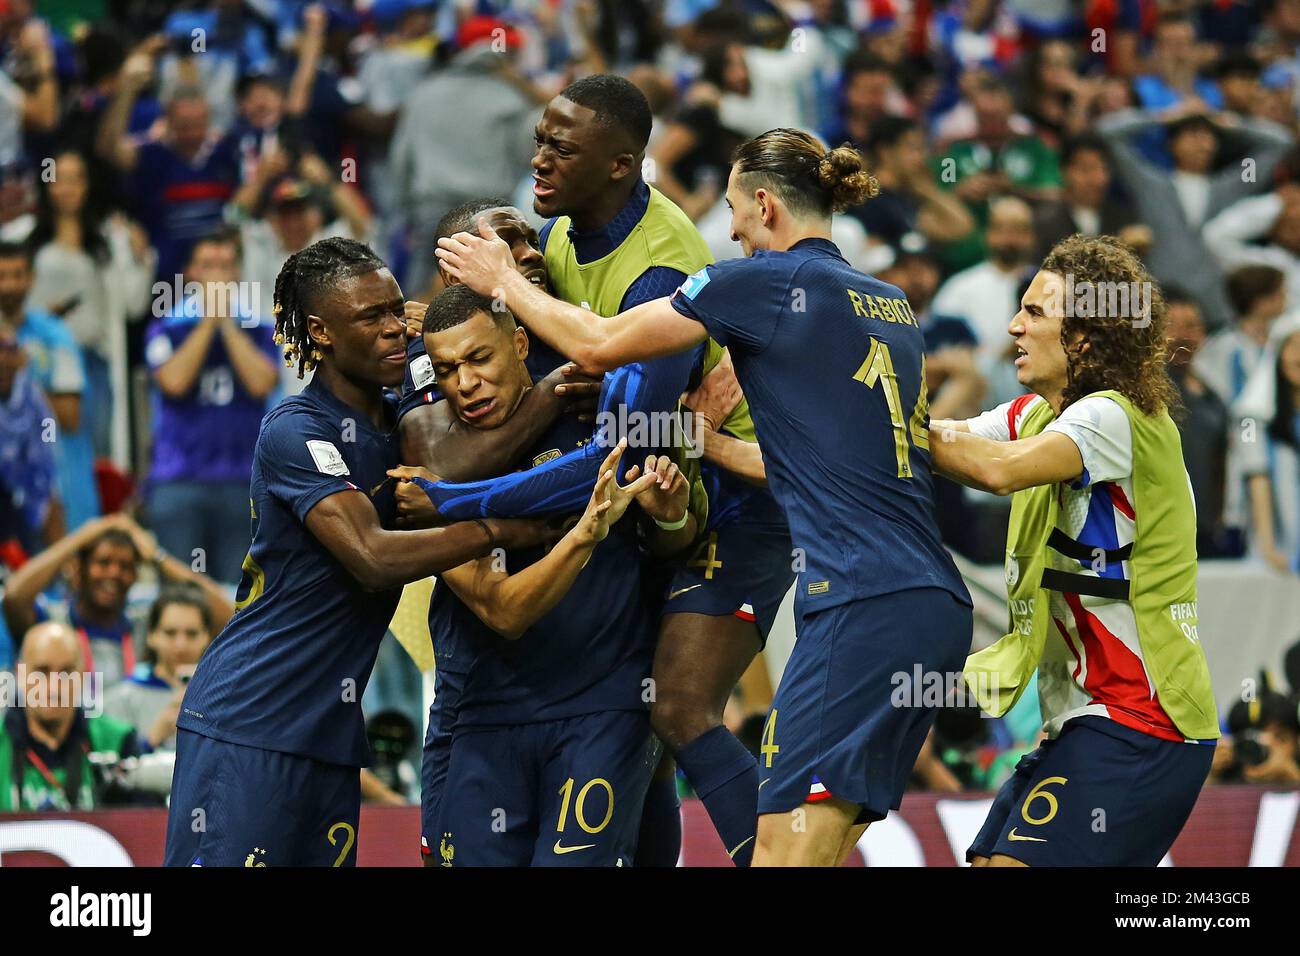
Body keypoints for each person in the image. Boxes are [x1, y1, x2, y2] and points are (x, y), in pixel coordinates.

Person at [437, 126, 973, 867]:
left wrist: (504, 280)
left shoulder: (754, 283)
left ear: (763, 202)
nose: (728, 230)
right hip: (931, 602)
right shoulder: (892, 306)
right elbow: (819, 458)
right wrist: (704, 439)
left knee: (769, 836)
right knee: (797, 847)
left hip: (856, 599)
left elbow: (597, 343)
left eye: (733, 210)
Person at [421, 76, 796, 868]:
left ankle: (784, 858)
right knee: (650, 715)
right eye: (540, 140)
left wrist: (456, 500)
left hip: (734, 497)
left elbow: (624, 453)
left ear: (622, 164)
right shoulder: (553, 240)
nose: (538, 160)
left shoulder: (659, 268)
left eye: (562, 148)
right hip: (649, 500)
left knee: (681, 704)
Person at [162, 237, 552, 867]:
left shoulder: (401, 419)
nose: (395, 329)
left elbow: (462, 447)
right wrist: (500, 529)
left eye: (398, 310)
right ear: (320, 331)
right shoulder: (295, 431)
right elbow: (371, 555)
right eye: (371, 318)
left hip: (330, 740)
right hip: (249, 723)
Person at [929, 235, 1218, 866]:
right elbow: (942, 438)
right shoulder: (1037, 413)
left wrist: (887, 416)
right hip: (1085, 722)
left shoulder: (1116, 417)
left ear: (1086, 336)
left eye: (1034, 313)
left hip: (1144, 720)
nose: (1013, 326)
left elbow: (996, 469)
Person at [396, 285, 676, 866]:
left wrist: (674, 514)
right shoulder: (431, 467)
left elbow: (674, 516)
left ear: (520, 343)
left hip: (600, 707)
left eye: (479, 359)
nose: (466, 383)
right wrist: (581, 534)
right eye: (447, 369)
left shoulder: (592, 406)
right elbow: (504, 610)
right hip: (487, 714)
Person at [144, 228, 279, 584]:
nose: (217, 275)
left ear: (237, 273)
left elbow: (262, 381)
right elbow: (174, 383)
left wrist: (228, 325)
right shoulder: (167, 327)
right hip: (178, 480)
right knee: (180, 594)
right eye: (208, 265)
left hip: (242, 481)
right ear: (191, 272)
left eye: (225, 265)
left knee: (240, 599)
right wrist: (209, 322)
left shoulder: (259, 326)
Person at [2, 511, 233, 691]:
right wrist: (83, 537)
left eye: (125, 566)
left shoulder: (145, 624)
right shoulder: (53, 622)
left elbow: (227, 617)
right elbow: (14, 595)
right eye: (103, 563)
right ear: (79, 569)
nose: (113, 573)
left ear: (135, 575)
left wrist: (157, 556)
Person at [0, 240, 98, 530]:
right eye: (1, 276)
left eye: (17, 275)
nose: (8, 286)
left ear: (30, 279)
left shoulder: (55, 338)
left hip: (58, 487)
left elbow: (69, 417)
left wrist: (20, 376)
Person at [0, 621, 141, 811]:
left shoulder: (117, 741)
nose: (54, 687)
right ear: (20, 673)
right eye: (42, 672)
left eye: (66, 673)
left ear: (83, 675)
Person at [103, 583, 213, 752]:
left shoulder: (221, 696)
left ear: (207, 636)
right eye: (170, 633)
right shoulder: (122, 698)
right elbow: (110, 769)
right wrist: (152, 739)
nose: (180, 645)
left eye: (191, 634)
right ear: (151, 635)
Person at [1235, 315, 1300, 574]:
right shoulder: (1252, 417)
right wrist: (1268, 547)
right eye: (1293, 346)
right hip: (1277, 553)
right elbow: (1256, 476)